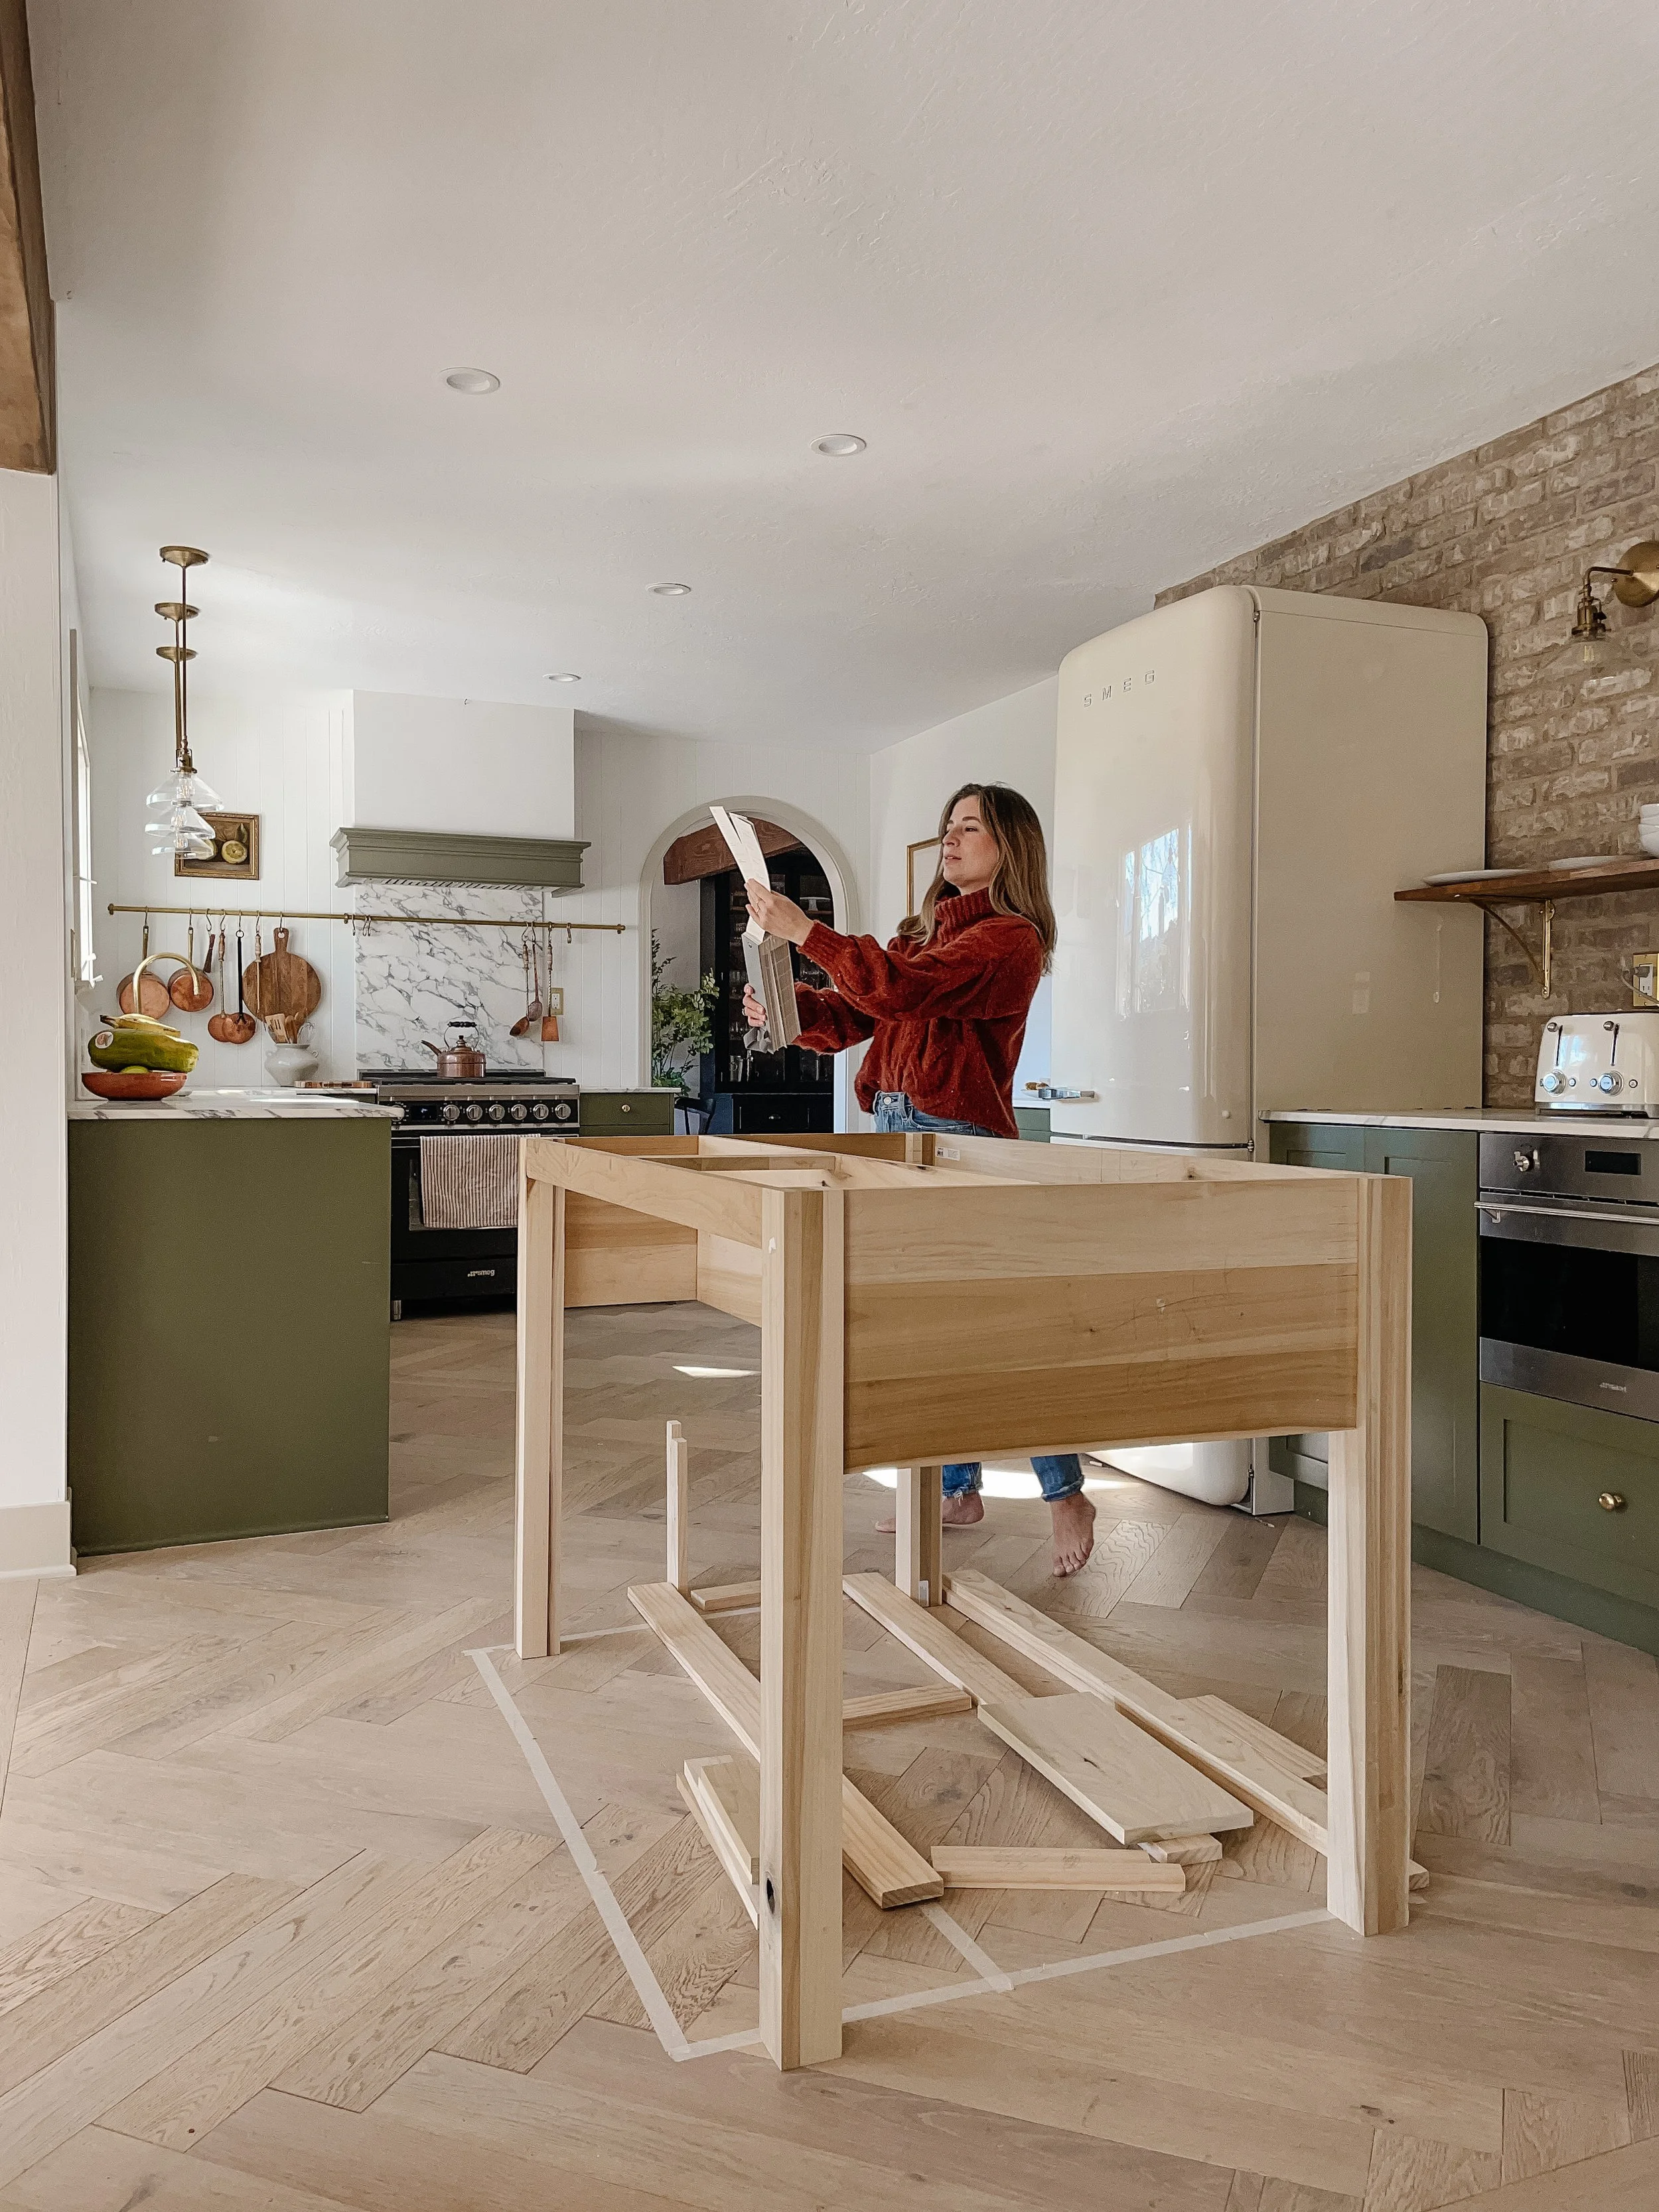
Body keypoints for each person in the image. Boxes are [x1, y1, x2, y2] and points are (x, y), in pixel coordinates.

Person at [741, 782, 1096, 1578]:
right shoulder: (926, 935)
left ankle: (1064, 1491)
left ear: (1013, 847)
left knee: (998, 1332)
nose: (952, 837)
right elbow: (863, 1016)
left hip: (964, 1143)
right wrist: (788, 1006)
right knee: (924, 1326)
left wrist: (807, 931)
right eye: (949, 826)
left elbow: (902, 991)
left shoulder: (1010, 941)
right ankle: (959, 1486)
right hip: (900, 1135)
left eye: (970, 827)